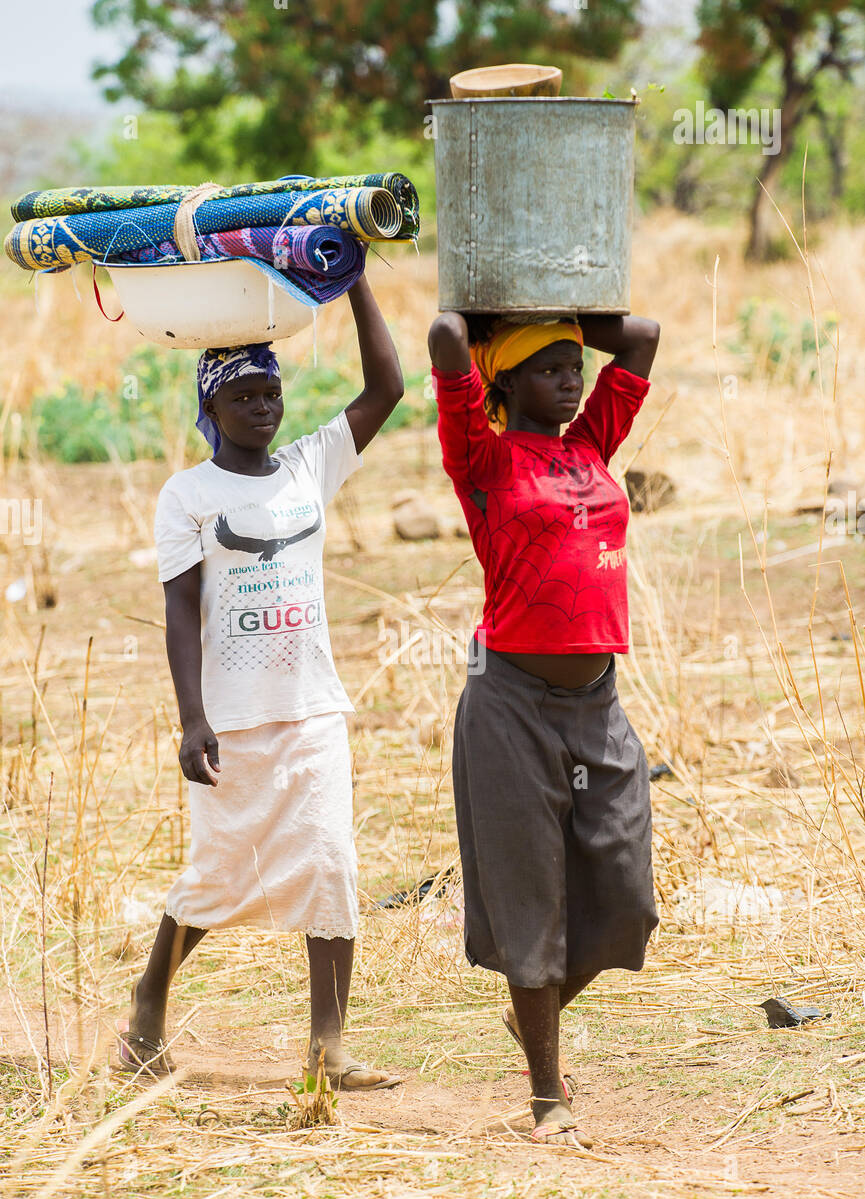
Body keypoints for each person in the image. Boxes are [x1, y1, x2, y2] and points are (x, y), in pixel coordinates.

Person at [120, 273, 404, 1091]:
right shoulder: (189, 496)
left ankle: (328, 1050)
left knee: (329, 865)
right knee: (215, 877)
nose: (263, 406)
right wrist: (190, 719)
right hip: (233, 720)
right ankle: (146, 1009)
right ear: (211, 408)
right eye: (243, 394)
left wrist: (352, 283)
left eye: (270, 390)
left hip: (313, 707)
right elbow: (181, 613)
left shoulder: (310, 467)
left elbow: (385, 385)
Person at [427, 310, 661, 1145]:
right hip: (510, 703)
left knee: (628, 897)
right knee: (529, 897)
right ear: (509, 381)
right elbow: (448, 338)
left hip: (596, 702)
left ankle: (533, 1017)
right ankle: (546, 1096)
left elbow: (642, 335)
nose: (571, 379)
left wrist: (568, 301)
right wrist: (498, 306)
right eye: (550, 367)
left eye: (575, 365)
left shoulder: (592, 443)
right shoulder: (481, 458)